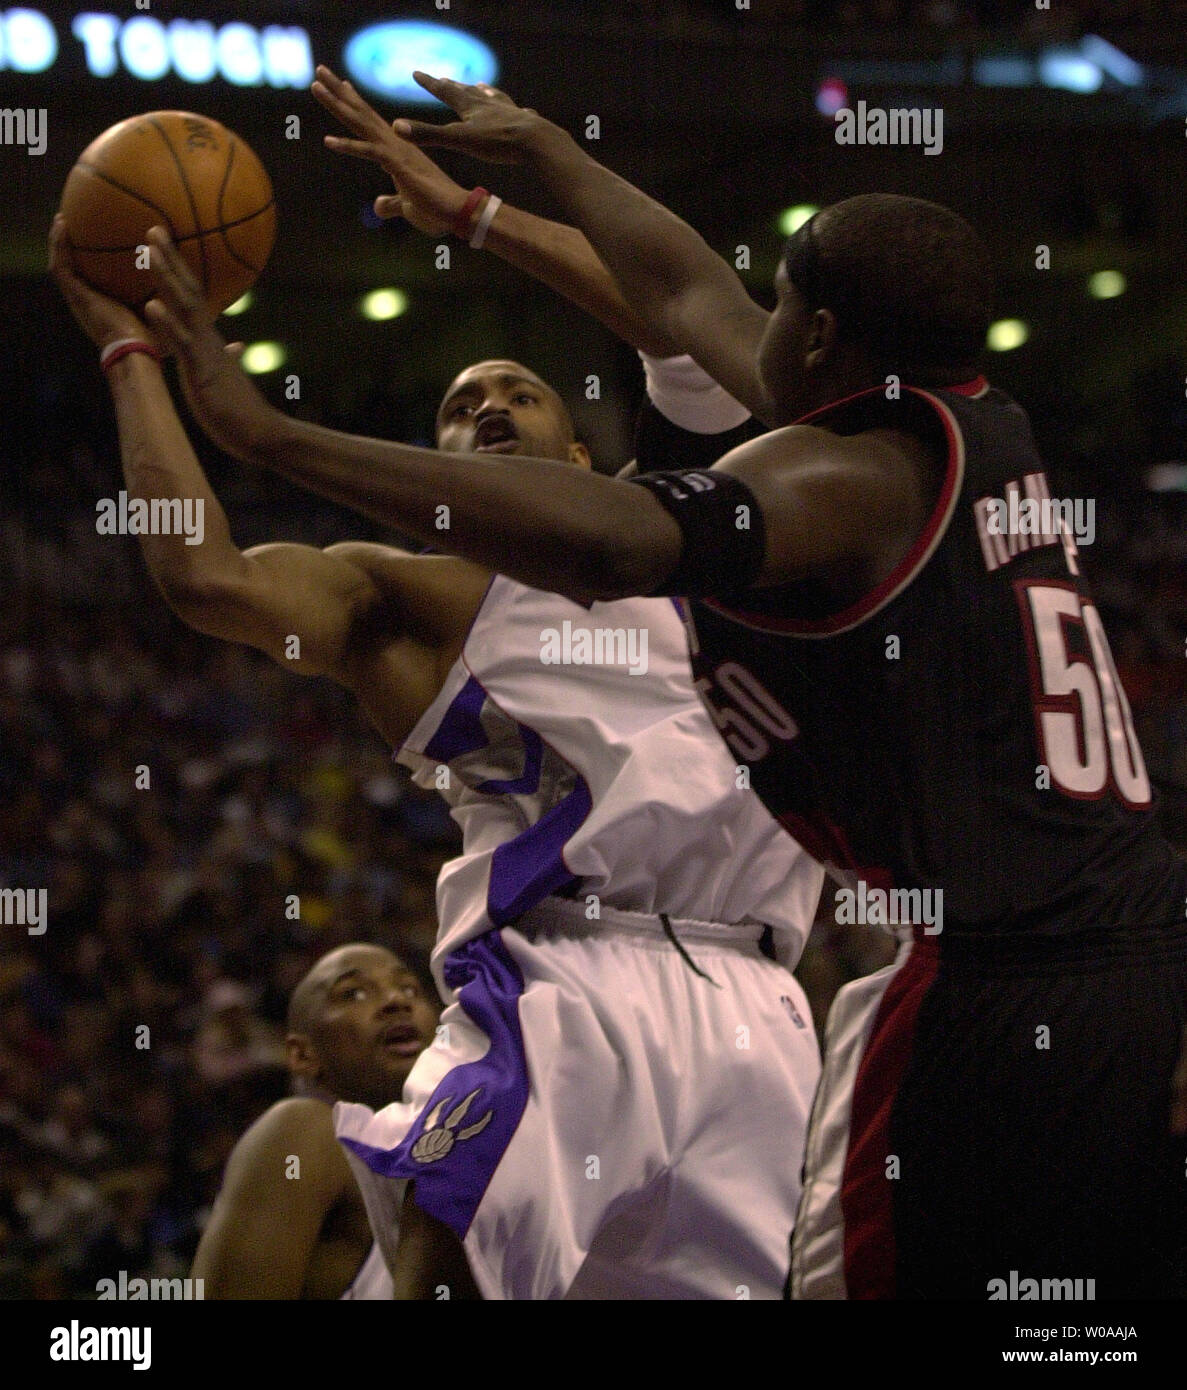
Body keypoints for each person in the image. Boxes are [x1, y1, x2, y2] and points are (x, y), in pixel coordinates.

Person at [148, 69, 1187, 1300]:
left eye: (781, 307)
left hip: (975, 971)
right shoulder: (971, 426)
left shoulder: (817, 493)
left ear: (816, 342)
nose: (750, 325)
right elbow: (684, 291)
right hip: (1116, 949)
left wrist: (266, 433)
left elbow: (616, 527)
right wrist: (510, 177)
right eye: (460, 401)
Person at [49, 219, 824, 1300]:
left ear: (580, 456)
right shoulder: (418, 600)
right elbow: (209, 579)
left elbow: (687, 328)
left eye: (517, 392)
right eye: (459, 408)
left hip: (761, 1001)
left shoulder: (694, 545)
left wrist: (486, 215)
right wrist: (131, 356)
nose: (488, 407)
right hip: (571, 984)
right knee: (449, 1261)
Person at [192, 943, 440, 1299]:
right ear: (302, 1054)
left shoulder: (450, 1148)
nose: (396, 1002)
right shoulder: (304, 1130)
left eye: (409, 989)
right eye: (353, 993)